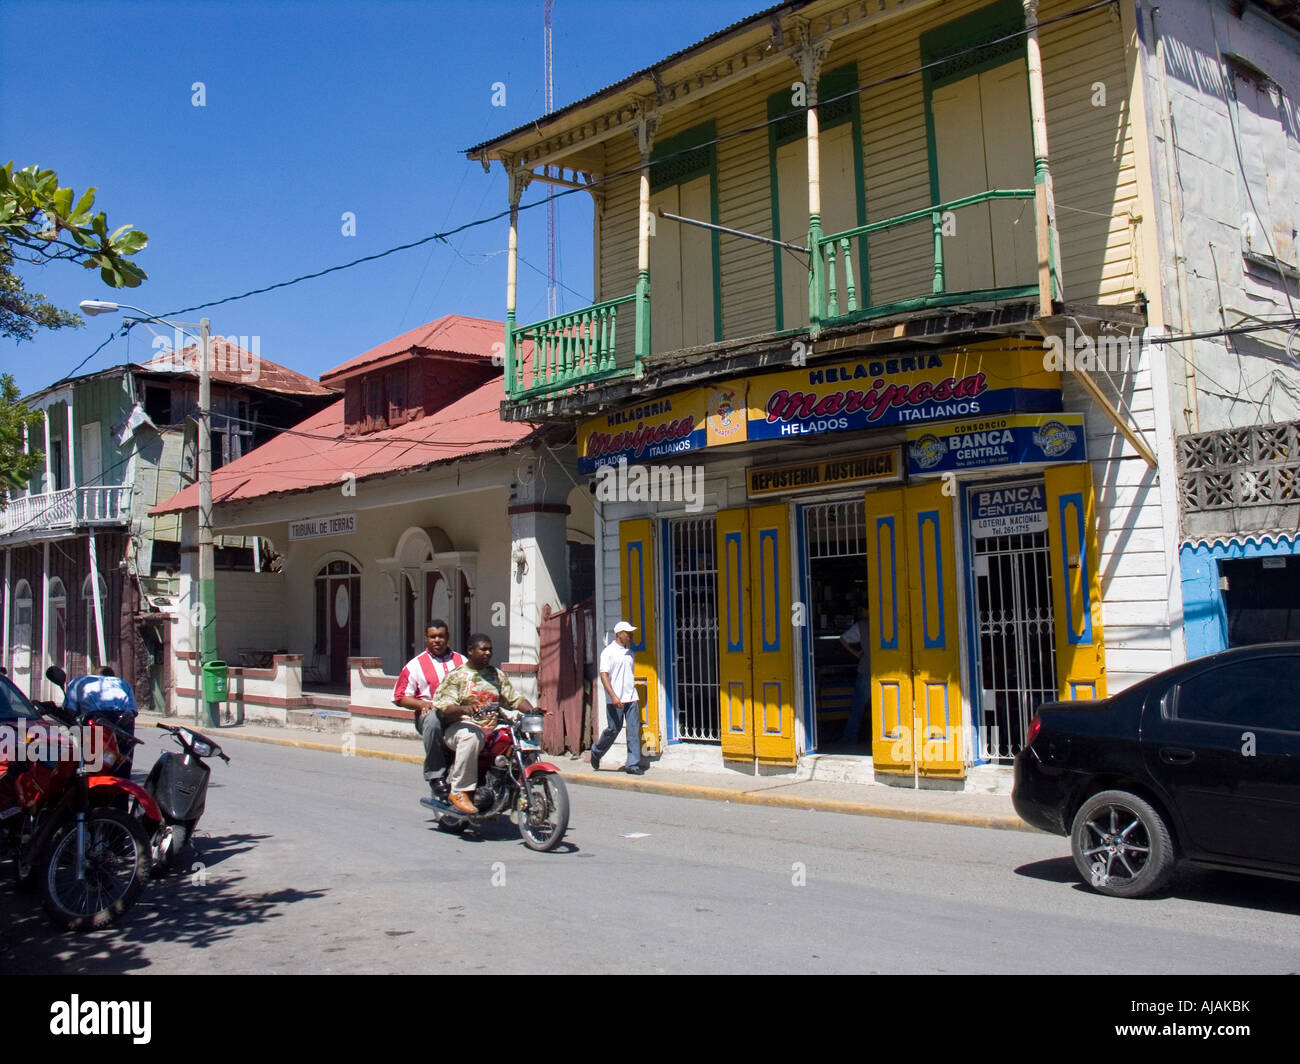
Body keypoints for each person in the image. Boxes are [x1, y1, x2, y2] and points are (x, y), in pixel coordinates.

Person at [430, 633, 537, 815]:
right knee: (472, 736)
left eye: (490, 649)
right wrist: (464, 709)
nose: (488, 653)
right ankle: (459, 791)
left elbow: (513, 698)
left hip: (491, 727)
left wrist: (532, 710)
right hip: (459, 729)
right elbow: (444, 708)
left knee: (514, 737)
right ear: (470, 651)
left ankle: (507, 784)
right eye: (483, 649)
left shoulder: (495, 675)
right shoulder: (457, 676)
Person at [392, 621, 465, 800]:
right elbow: (400, 697)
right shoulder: (415, 665)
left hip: (459, 712)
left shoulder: (462, 661)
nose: (437, 640)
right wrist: (423, 704)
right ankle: (436, 775)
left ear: (447, 638)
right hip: (430, 714)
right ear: (426, 639)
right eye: (433, 637)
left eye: (441, 636)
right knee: (433, 721)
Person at [590, 620, 643, 775]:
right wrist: (613, 696)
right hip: (615, 699)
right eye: (628, 633)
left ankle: (632, 764)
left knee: (633, 730)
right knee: (614, 729)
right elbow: (604, 676)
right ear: (620, 634)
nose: (631, 636)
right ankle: (597, 751)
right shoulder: (608, 652)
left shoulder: (630, 653)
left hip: (631, 697)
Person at [839, 606, 871, 745]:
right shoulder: (885, 622)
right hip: (883, 668)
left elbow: (843, 639)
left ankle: (850, 738)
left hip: (866, 669)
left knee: (858, 707)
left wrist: (856, 654)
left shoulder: (861, 625)